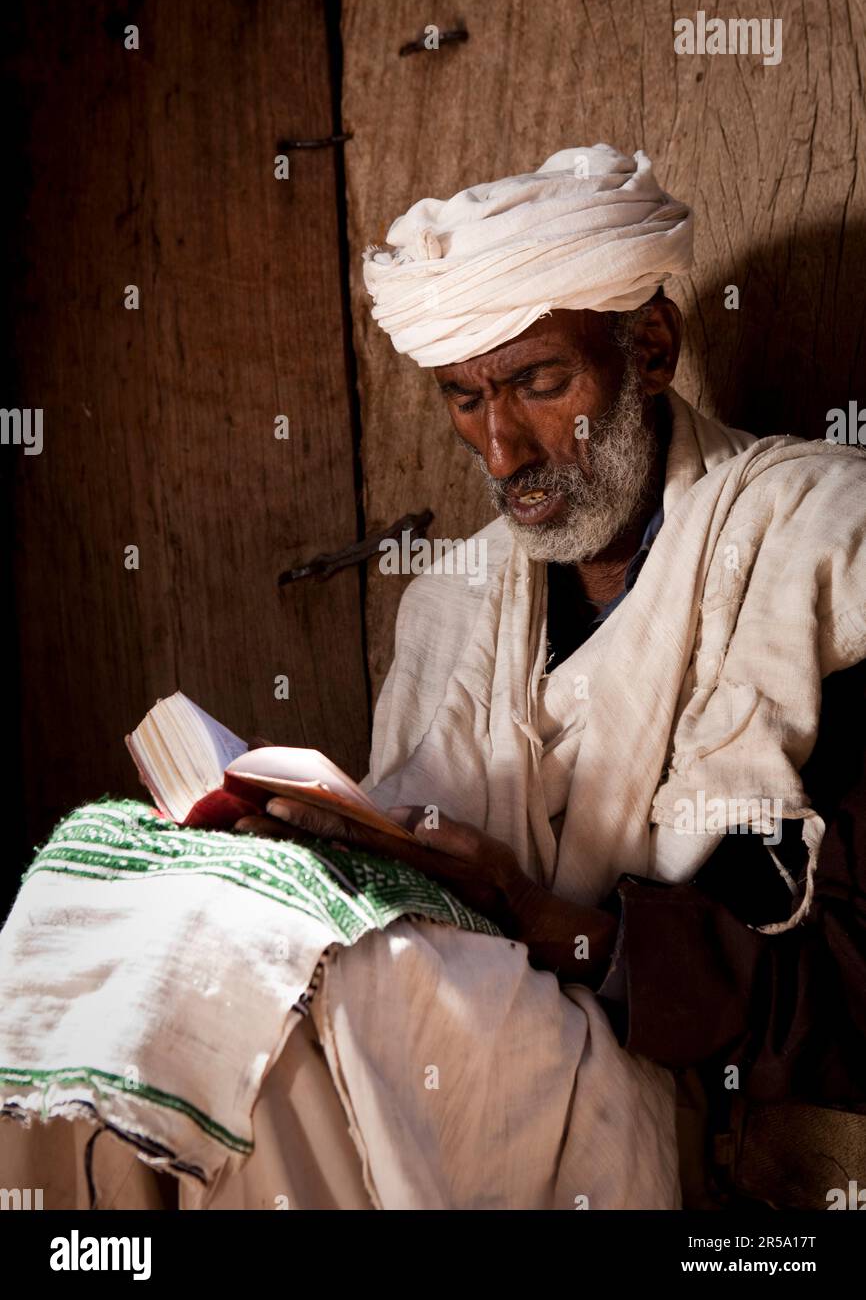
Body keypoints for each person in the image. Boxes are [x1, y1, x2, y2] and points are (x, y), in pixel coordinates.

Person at [236, 143, 866, 1209]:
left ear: (650, 349)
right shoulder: (446, 604)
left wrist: (553, 925)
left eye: (537, 383)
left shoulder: (817, 546)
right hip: (455, 1053)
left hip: (661, 1110)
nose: (501, 452)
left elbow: (845, 985)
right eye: (461, 398)